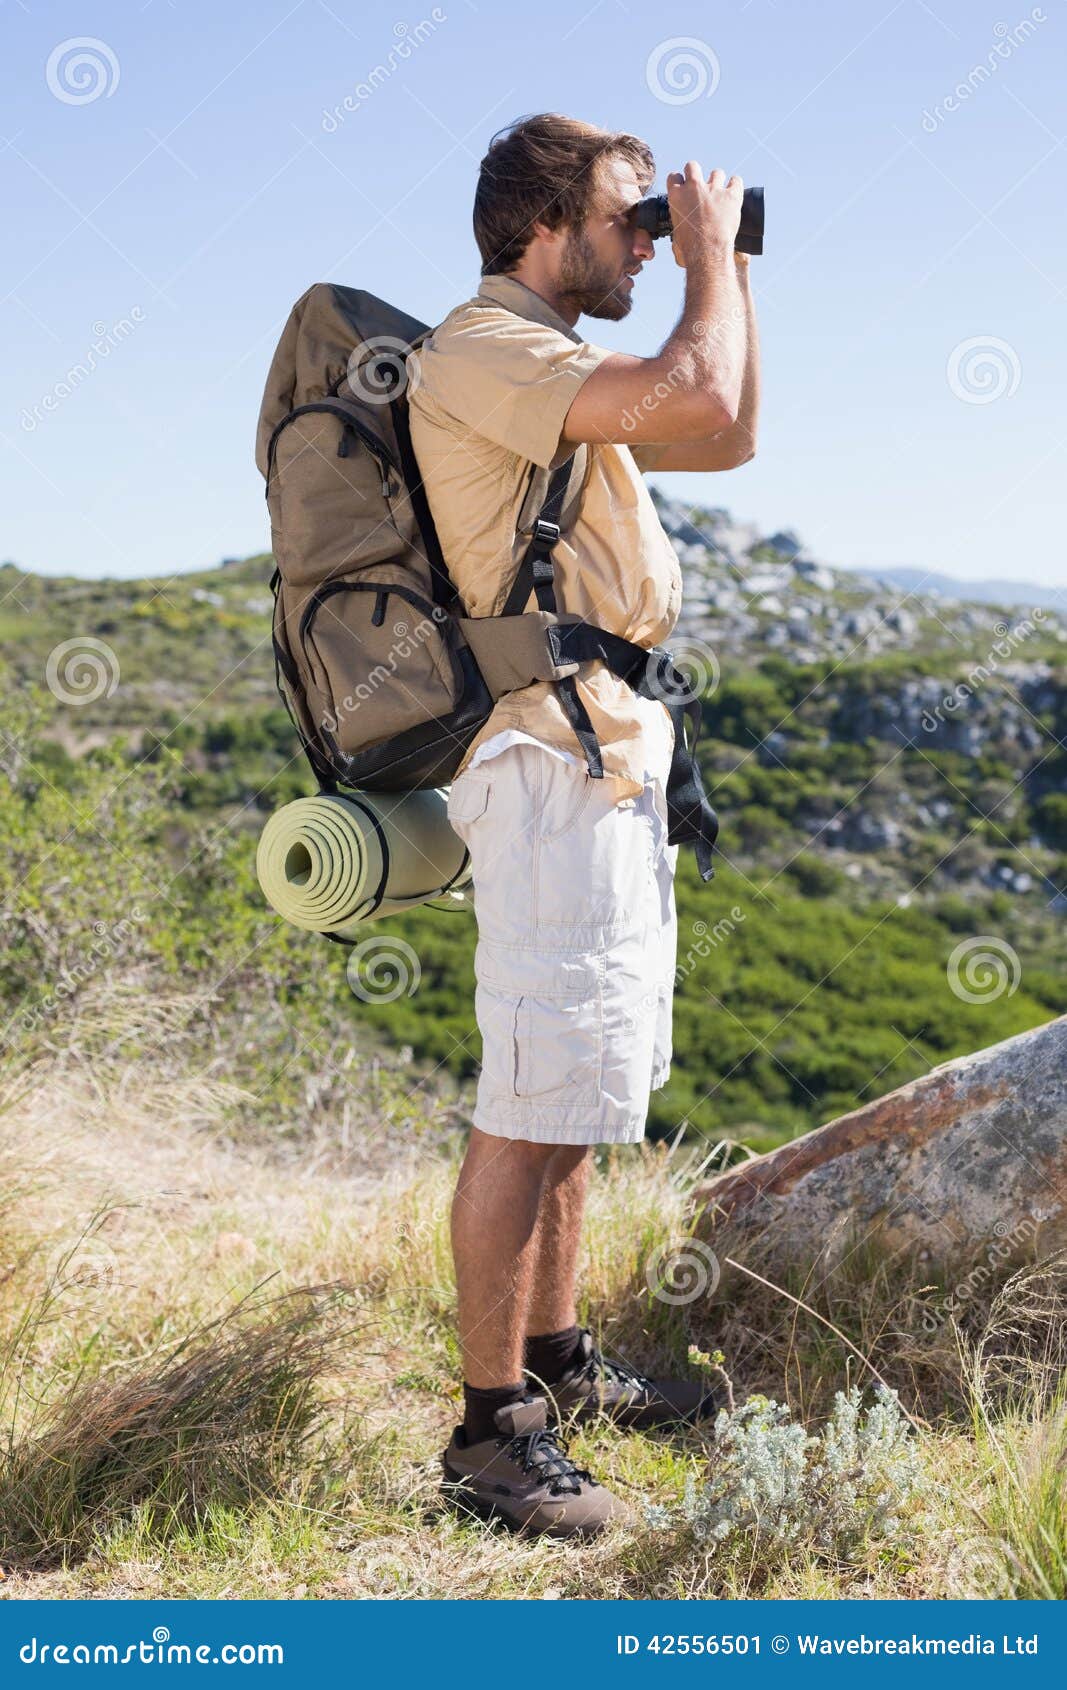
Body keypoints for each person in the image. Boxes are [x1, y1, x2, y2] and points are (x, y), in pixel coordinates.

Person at [407, 112, 760, 1539]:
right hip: (544, 755)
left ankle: (559, 1365)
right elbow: (688, 391)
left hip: (600, 750)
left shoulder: (556, 366)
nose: (645, 239)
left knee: (582, 1090)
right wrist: (714, 265)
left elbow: (723, 426)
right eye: (631, 215)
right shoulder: (491, 345)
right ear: (543, 219)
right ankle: (491, 1432)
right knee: (526, 1103)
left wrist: (729, 269)